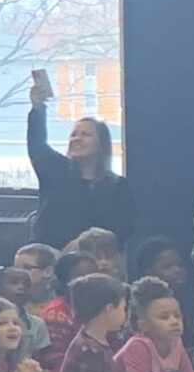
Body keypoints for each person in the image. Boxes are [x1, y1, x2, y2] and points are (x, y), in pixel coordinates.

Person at [23, 71, 133, 251]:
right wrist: (38, 108)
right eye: (74, 134)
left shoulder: (117, 187)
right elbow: (37, 145)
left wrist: (84, 243)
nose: (77, 139)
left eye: (85, 134)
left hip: (97, 259)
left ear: (101, 145)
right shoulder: (55, 170)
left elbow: (122, 229)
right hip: (50, 258)